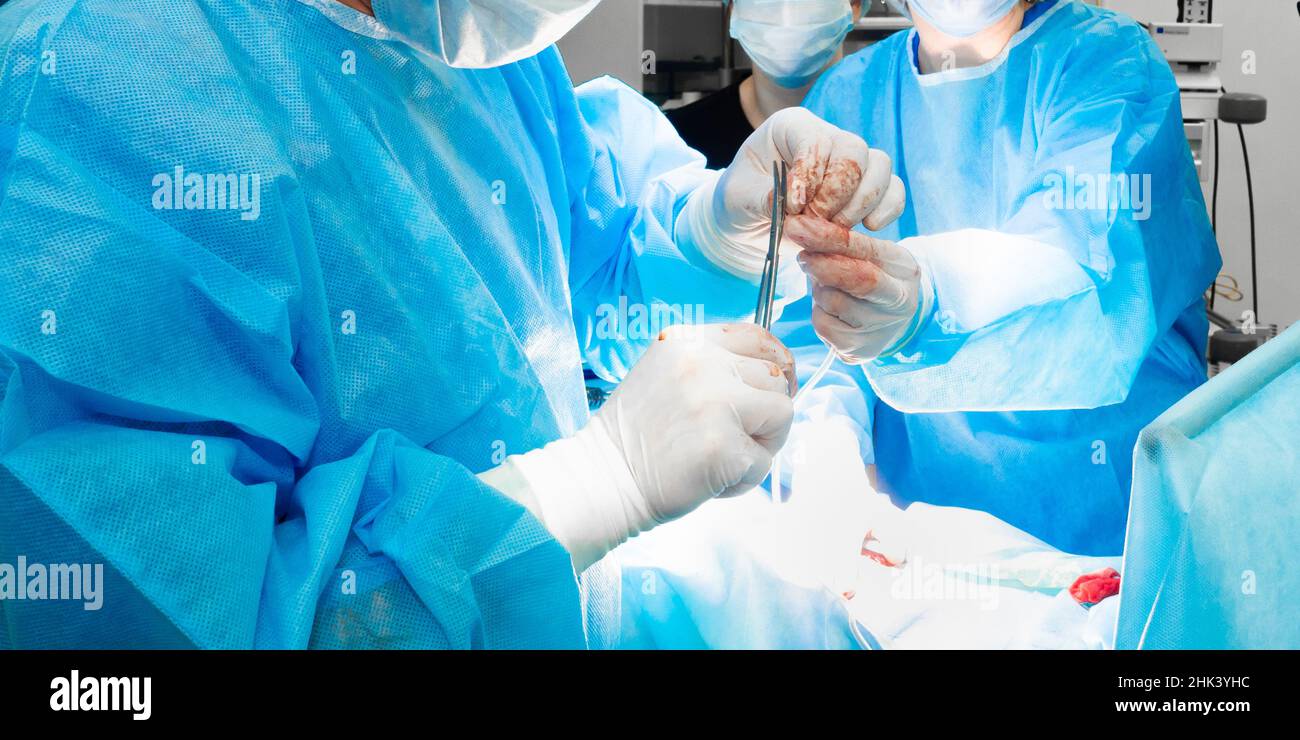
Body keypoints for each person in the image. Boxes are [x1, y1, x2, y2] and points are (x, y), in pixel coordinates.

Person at [0, 0, 902, 648]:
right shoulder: (105, 85)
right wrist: (590, 487)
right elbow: (151, 634)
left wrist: (716, 242)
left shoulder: (471, 42)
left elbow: (576, 274)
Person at [774, 0, 1221, 557]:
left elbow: (1090, 285)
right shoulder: (847, 97)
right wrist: (826, 452)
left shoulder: (1107, 65)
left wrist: (928, 306)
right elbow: (808, 330)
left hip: (1117, 532)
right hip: (919, 541)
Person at [667, 0, 864, 169]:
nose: (787, 12)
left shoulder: (890, 125)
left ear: (854, 4)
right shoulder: (677, 141)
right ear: (733, 7)